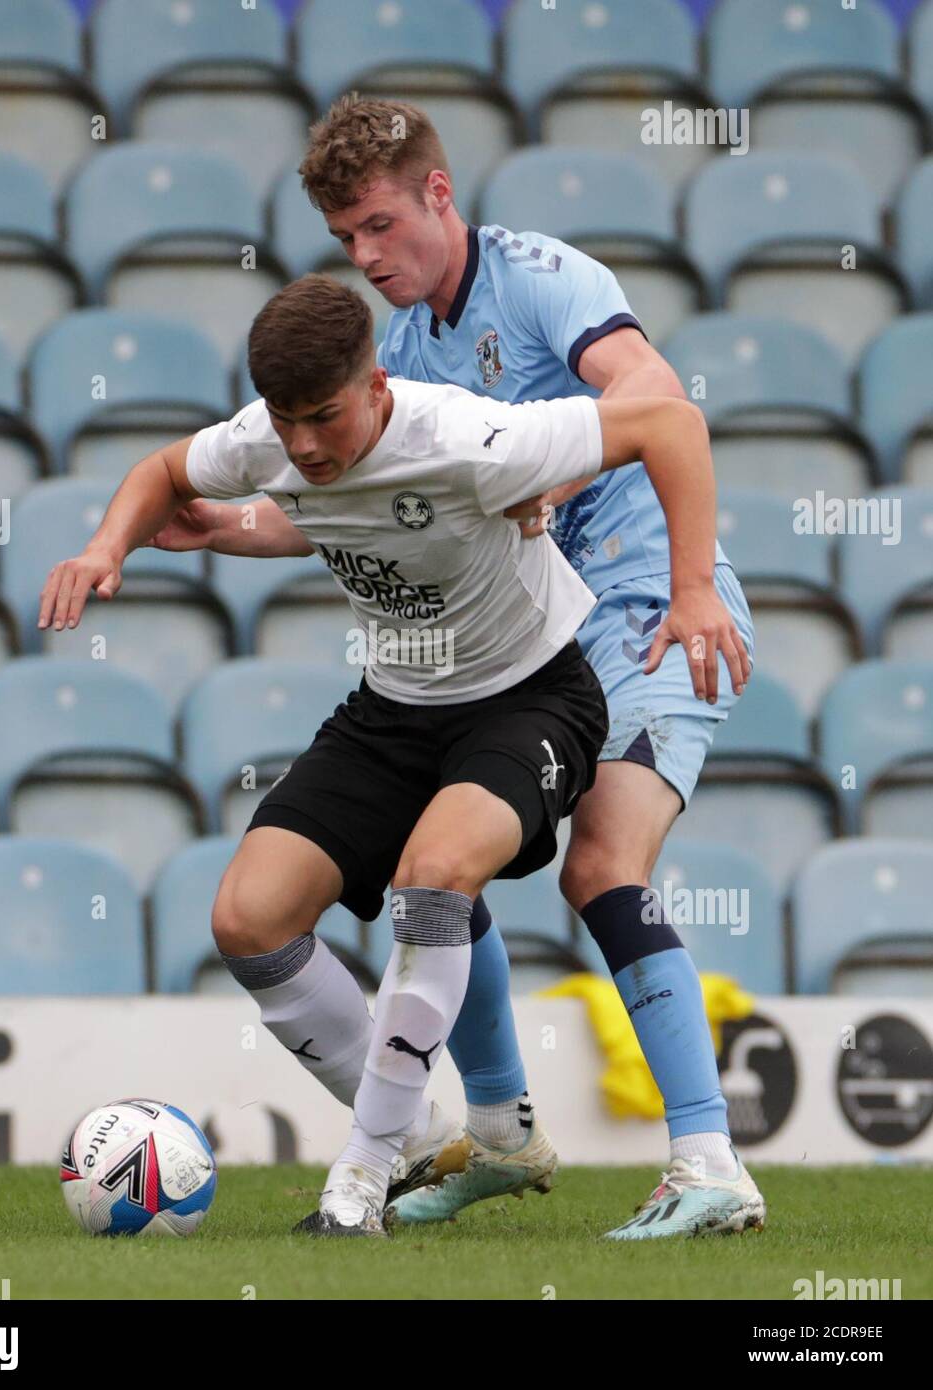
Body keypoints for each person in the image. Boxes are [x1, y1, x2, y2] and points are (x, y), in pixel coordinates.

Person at [152, 97, 765, 1241]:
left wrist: (666, 569)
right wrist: (232, 525)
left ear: (439, 194)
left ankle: (708, 1159)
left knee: (599, 866)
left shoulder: (539, 278)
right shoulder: (393, 352)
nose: (367, 256)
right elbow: (365, 508)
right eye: (346, 241)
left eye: (380, 225)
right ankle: (497, 1132)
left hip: (640, 609)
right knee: (440, 856)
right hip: (521, 636)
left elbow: (657, 397)